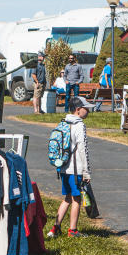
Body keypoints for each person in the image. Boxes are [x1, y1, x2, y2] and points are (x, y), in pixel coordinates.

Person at [48, 96, 92, 238]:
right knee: (76, 199)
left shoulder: (64, 122)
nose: (88, 111)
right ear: (78, 110)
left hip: (63, 167)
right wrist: (86, 172)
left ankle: (55, 228)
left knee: (67, 197)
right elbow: (83, 149)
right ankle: (72, 230)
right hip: (75, 168)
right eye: (86, 109)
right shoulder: (79, 125)